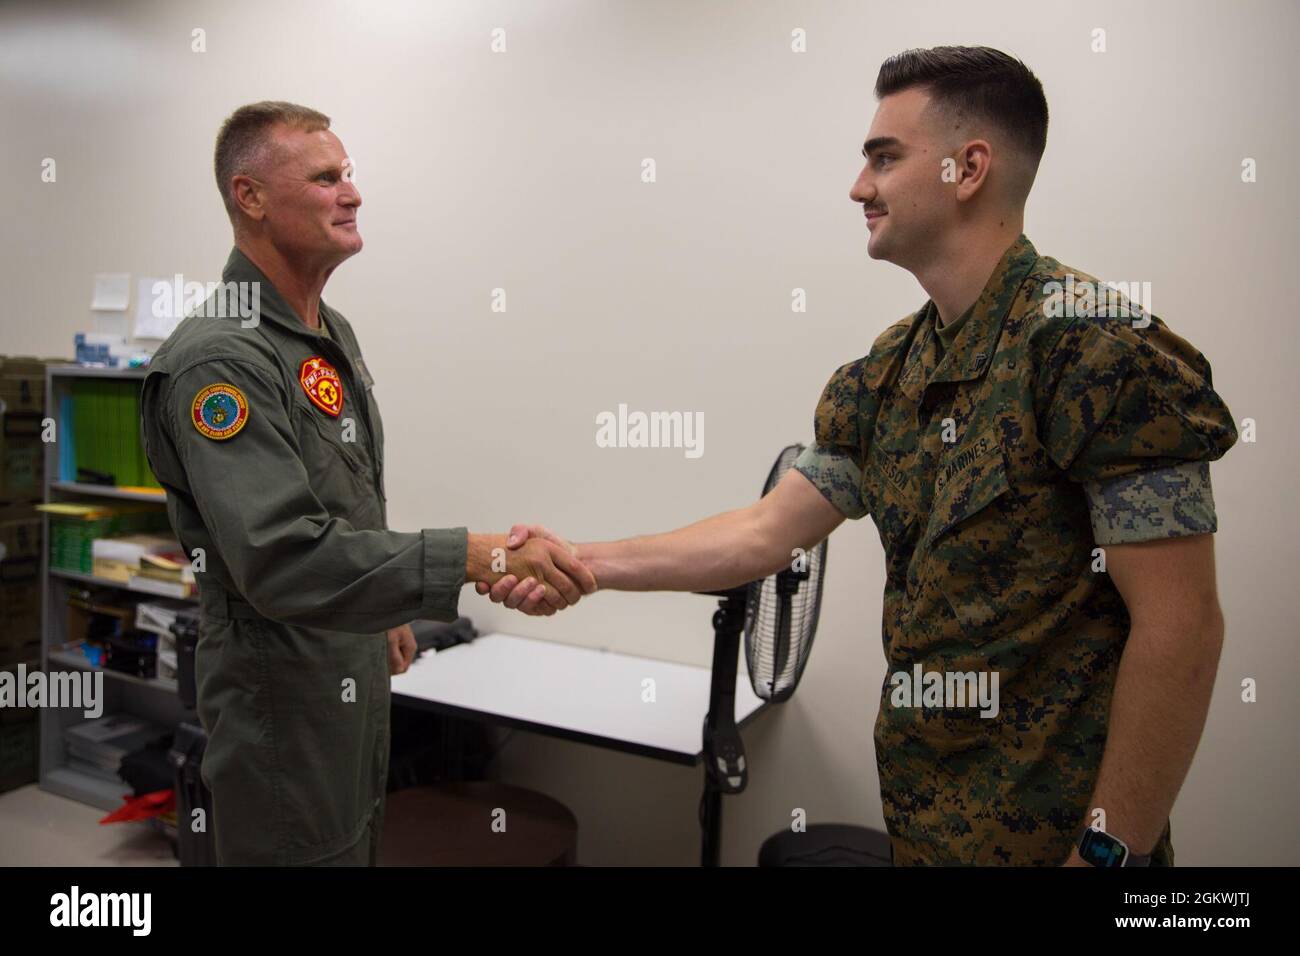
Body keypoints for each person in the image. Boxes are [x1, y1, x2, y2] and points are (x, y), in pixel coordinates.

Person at [486, 47, 1237, 866]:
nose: (859, 186)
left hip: (1059, 843)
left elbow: (1182, 628)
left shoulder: (1095, 350)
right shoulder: (887, 374)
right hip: (928, 829)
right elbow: (765, 535)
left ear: (968, 167)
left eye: (884, 157)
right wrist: (577, 562)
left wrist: (1107, 855)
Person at [141, 101, 596, 866]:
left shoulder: (326, 332)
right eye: (325, 178)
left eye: (348, 174)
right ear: (250, 198)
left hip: (347, 671)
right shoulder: (221, 361)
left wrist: (381, 606)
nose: (351, 193)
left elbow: (340, 497)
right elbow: (282, 556)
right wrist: (477, 557)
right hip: (280, 701)